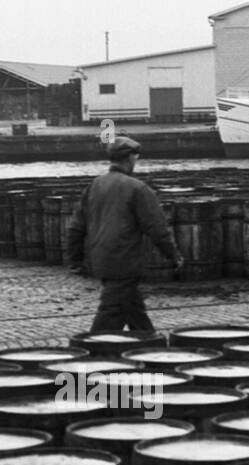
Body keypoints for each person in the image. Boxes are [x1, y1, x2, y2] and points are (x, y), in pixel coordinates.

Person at [66, 136, 183, 332]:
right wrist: (174, 255)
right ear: (130, 159)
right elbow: (157, 228)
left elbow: (76, 227)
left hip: (100, 258)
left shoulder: (95, 185)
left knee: (132, 307)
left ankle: (150, 344)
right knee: (110, 313)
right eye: (135, 157)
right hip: (124, 260)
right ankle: (95, 353)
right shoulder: (138, 189)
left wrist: (75, 259)